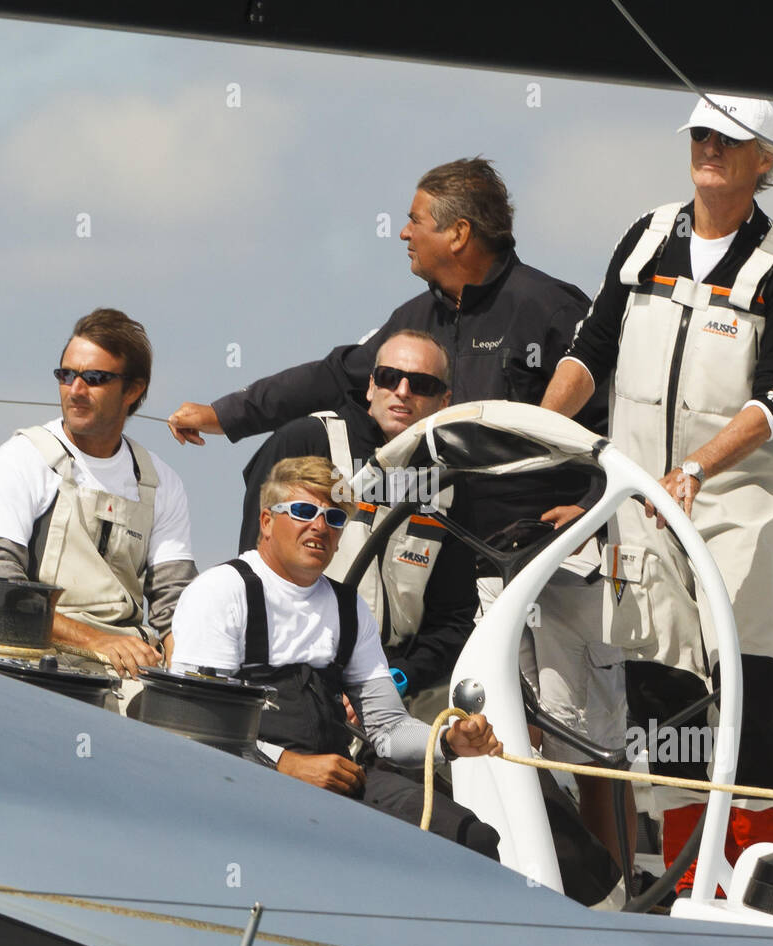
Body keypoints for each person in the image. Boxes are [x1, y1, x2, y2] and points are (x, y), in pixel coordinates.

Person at [168, 157, 630, 868]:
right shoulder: (413, 323)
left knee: (583, 732)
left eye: (415, 220)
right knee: (480, 744)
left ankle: (610, 881)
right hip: (451, 572)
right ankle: (492, 864)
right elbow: (332, 373)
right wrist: (229, 415)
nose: (403, 233)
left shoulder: (551, 309)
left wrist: (596, 508)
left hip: (547, 564)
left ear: (458, 232)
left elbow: (614, 421)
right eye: (389, 380)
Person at [540, 95, 773, 886]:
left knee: (745, 687)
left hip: (740, 508)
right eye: (700, 134)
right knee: (661, 694)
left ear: (764, 159)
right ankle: (681, 886)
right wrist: (535, 430)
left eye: (729, 139)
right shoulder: (647, 236)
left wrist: (698, 467)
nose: (710, 149)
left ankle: (756, 881)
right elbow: (591, 348)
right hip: (643, 501)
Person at [172, 456, 503, 858]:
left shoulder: (349, 608)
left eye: (334, 517)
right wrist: (285, 765)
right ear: (265, 522)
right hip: (243, 783)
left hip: (339, 779)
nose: (320, 526)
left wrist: (447, 741)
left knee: (471, 840)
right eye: (303, 511)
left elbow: (388, 730)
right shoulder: (220, 592)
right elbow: (195, 729)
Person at [237, 329, 476, 713]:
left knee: (469, 744)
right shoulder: (308, 441)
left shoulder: (448, 481)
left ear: (444, 401)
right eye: (388, 378)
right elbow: (254, 577)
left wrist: (398, 677)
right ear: (370, 386)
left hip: (402, 681)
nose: (401, 391)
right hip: (302, 676)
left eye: (421, 384)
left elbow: (453, 618)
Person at [0, 309, 197, 699]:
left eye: (95, 378)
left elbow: (175, 609)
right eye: (66, 375)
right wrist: (96, 641)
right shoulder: (21, 460)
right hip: (34, 665)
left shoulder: (160, 483)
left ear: (134, 390)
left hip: (132, 666)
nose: (75, 389)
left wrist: (184, 689)